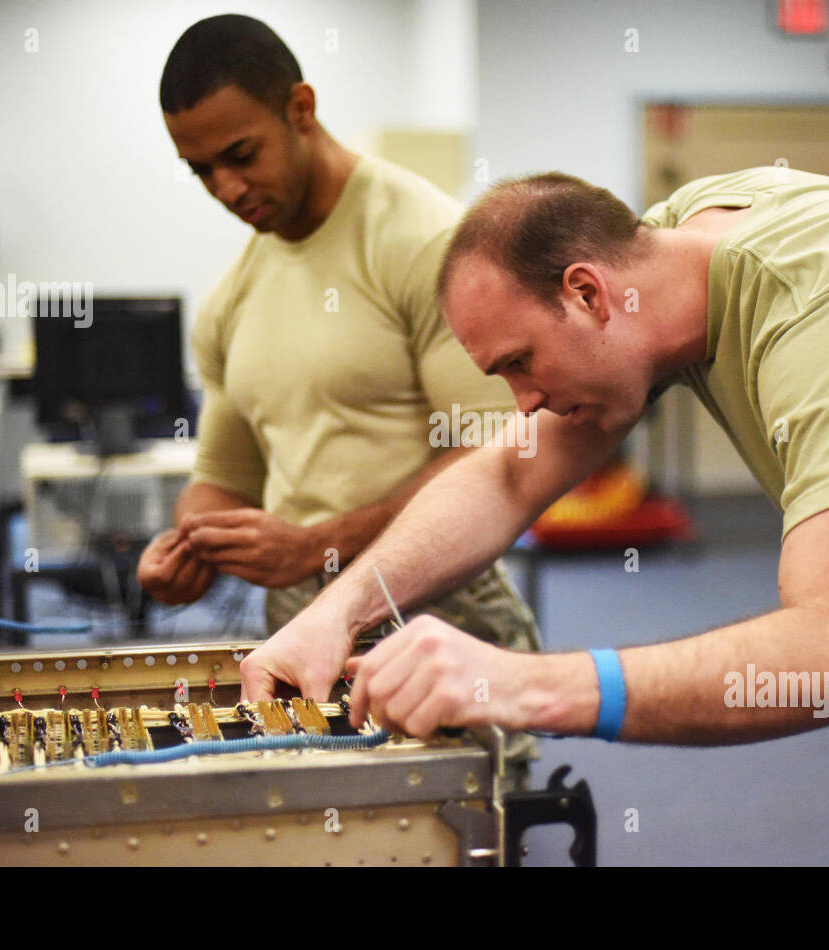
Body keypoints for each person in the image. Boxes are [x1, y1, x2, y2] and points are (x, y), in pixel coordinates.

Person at [242, 166, 829, 865]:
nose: (521, 403)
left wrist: (521, 683)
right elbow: (509, 479)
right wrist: (335, 612)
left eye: (520, 362)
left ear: (588, 293)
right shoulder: (671, 250)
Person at [137, 15, 539, 666]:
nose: (226, 190)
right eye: (201, 171)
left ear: (301, 108)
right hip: (300, 634)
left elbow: (493, 456)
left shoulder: (426, 242)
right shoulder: (230, 300)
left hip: (440, 625)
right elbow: (224, 475)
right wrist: (192, 544)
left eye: (240, 156)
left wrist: (319, 543)